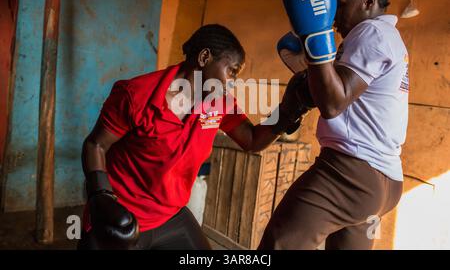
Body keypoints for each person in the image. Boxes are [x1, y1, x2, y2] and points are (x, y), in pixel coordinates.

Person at [78, 24, 310, 250]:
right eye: (232, 71)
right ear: (204, 57)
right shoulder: (137, 95)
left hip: (170, 216)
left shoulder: (219, 102)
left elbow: (251, 139)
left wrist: (287, 112)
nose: (234, 81)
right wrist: (101, 197)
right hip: (121, 215)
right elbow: (95, 144)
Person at [259, 0, 409, 250]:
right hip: (385, 182)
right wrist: (309, 75)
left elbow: (332, 103)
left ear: (368, 1)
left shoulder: (372, 32)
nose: (333, 18)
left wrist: (315, 37)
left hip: (350, 174)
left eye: (339, 6)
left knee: (279, 244)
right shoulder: (389, 39)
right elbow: (336, 94)